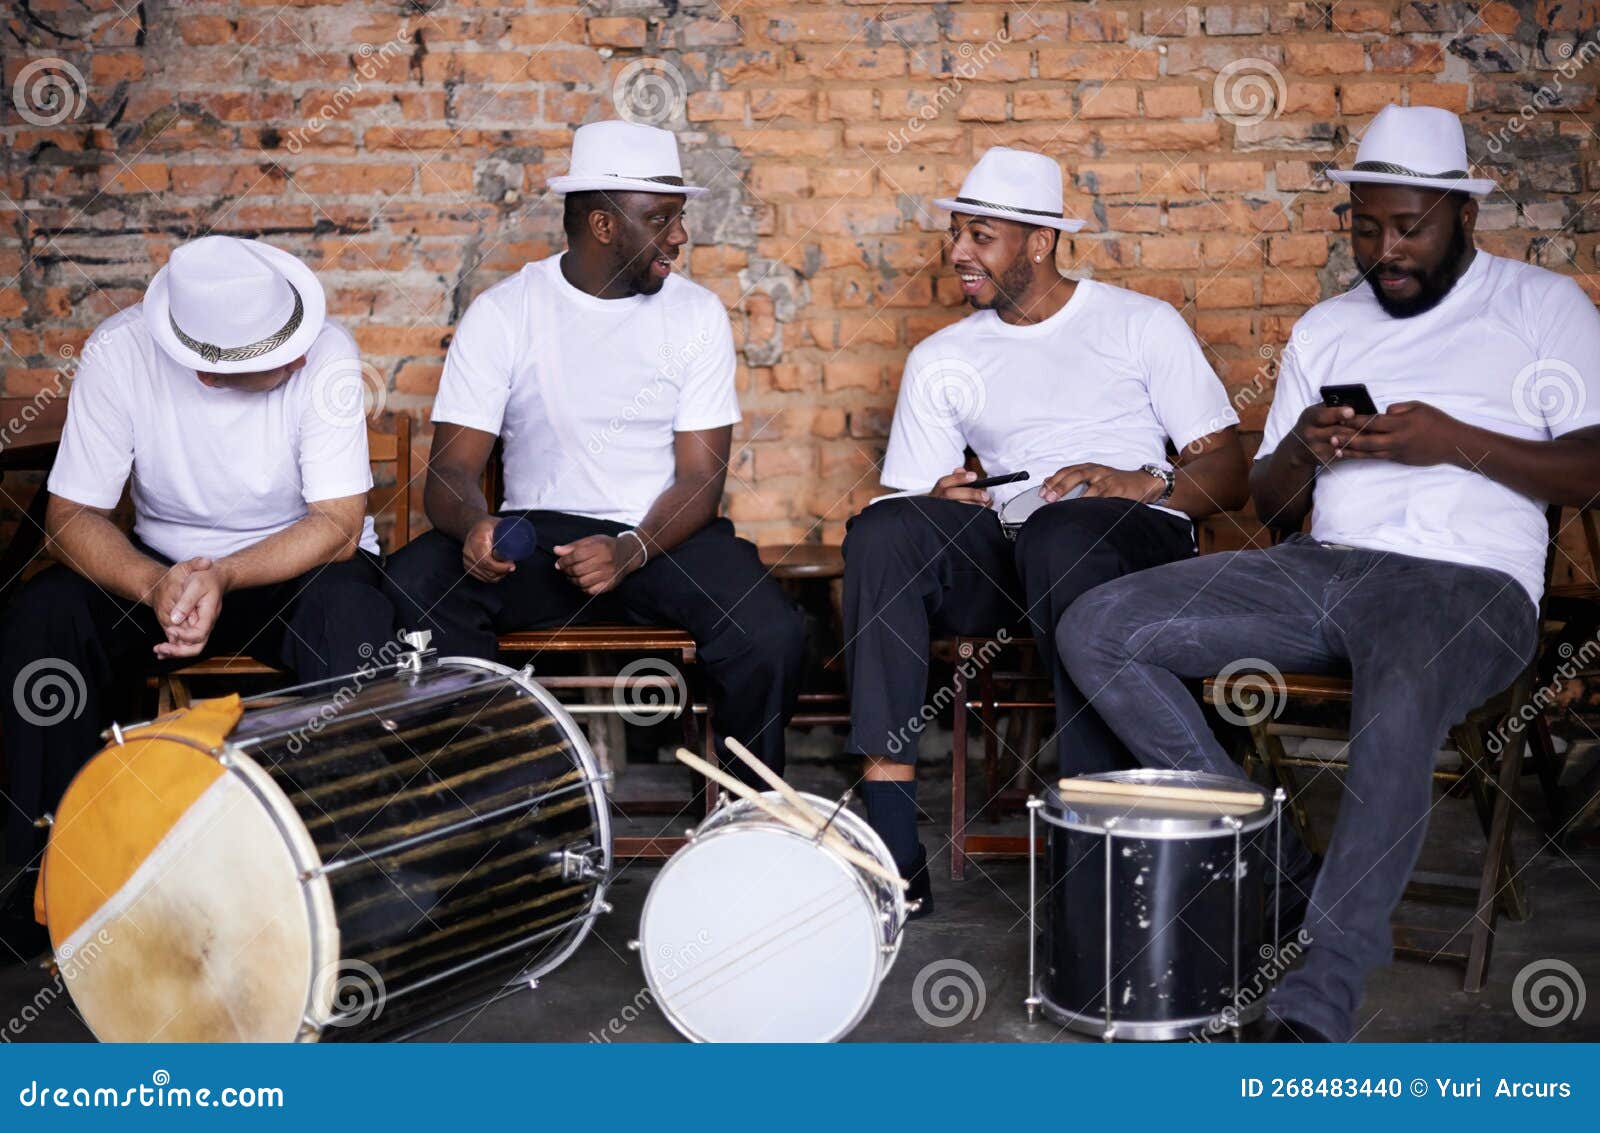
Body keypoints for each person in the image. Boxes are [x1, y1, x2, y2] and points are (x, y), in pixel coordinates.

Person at [1061, 105, 1600, 1041]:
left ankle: (1317, 1000)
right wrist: (1307, 452)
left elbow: (1593, 469)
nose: (1384, 248)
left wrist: (1454, 441)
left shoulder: (1543, 307)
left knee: (1396, 691)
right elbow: (1266, 508)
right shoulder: (1327, 326)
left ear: (1461, 215)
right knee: (1097, 627)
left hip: (1465, 586)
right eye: (1364, 225)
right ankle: (1276, 867)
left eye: (1407, 227)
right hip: (1319, 567)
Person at [842, 146, 1248, 910]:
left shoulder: (1139, 324)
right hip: (1012, 549)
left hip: (1127, 544)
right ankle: (892, 848)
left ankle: (1096, 845)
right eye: (957, 233)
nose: (958, 252)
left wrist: (1144, 482)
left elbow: (1229, 472)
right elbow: (916, 501)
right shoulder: (941, 358)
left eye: (981, 235)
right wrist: (941, 496)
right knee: (884, 530)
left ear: (1040, 240)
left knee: (1064, 533)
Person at [0, 235, 395, 959]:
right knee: (43, 615)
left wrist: (226, 575)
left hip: (291, 562)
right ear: (211, 374)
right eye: (282, 354)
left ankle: (358, 888)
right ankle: (48, 890)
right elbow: (71, 518)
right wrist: (158, 583)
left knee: (356, 613)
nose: (303, 354)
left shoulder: (327, 352)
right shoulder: (119, 354)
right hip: (161, 572)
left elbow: (339, 527)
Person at [385, 120, 804, 781]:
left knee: (771, 631)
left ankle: (749, 817)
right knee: (416, 583)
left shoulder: (696, 315)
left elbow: (700, 478)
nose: (679, 236)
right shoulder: (506, 312)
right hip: (538, 540)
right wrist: (475, 528)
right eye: (660, 218)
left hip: (661, 538)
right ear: (604, 225)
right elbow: (451, 473)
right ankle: (498, 795)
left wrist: (630, 549)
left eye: (679, 217)